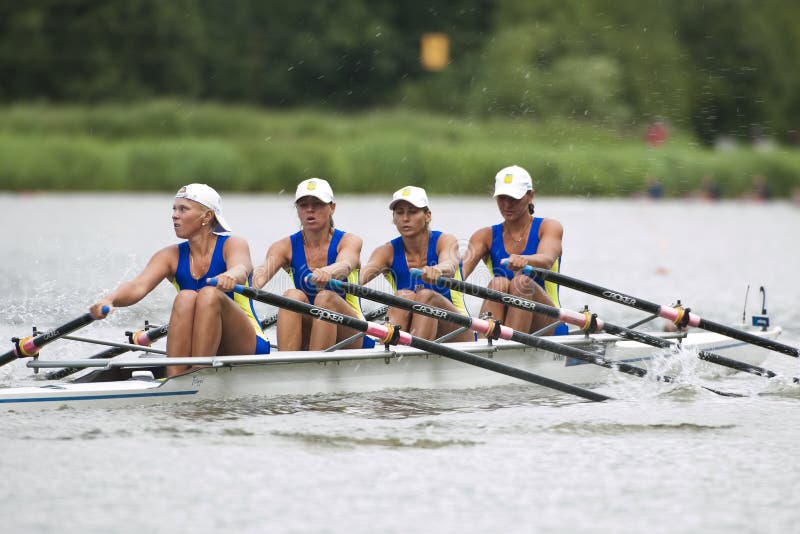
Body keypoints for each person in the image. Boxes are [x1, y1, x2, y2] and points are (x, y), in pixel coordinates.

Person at [89, 184, 270, 377]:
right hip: (201, 343)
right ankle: (176, 378)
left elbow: (242, 267)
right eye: (174, 209)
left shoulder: (232, 244)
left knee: (209, 294)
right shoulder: (170, 255)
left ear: (207, 216)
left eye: (183, 209)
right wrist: (109, 299)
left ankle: (198, 375)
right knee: (185, 296)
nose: (175, 215)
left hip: (245, 345)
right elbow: (137, 286)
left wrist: (231, 275)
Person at [252, 178, 374, 351]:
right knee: (291, 296)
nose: (310, 209)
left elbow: (345, 264)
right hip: (313, 329)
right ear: (297, 210)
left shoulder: (349, 241)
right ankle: (289, 364)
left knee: (325, 298)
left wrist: (328, 271)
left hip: (352, 334)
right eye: (303, 205)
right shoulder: (282, 247)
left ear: (332, 208)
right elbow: (257, 279)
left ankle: (314, 367)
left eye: (317, 204)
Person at [462, 165, 568, 336]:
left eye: (514, 198)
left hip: (548, 325)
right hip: (504, 322)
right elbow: (459, 273)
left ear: (530, 196)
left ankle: (505, 349)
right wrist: (438, 271)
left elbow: (547, 259)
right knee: (498, 283)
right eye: (502, 198)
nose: (507, 205)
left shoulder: (549, 226)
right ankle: (487, 345)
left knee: (521, 282)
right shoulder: (484, 236)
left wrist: (526, 260)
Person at [361, 186, 473, 342]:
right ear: (394, 219)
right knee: (402, 296)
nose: (405, 218)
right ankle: (397, 353)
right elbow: (359, 277)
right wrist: (332, 278)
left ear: (427, 216)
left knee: (426, 296)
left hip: (456, 331)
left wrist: (438, 270)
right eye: (400, 213)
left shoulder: (445, 240)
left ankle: (406, 358)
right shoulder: (385, 252)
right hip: (415, 329)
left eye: (412, 212)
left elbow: (450, 264)